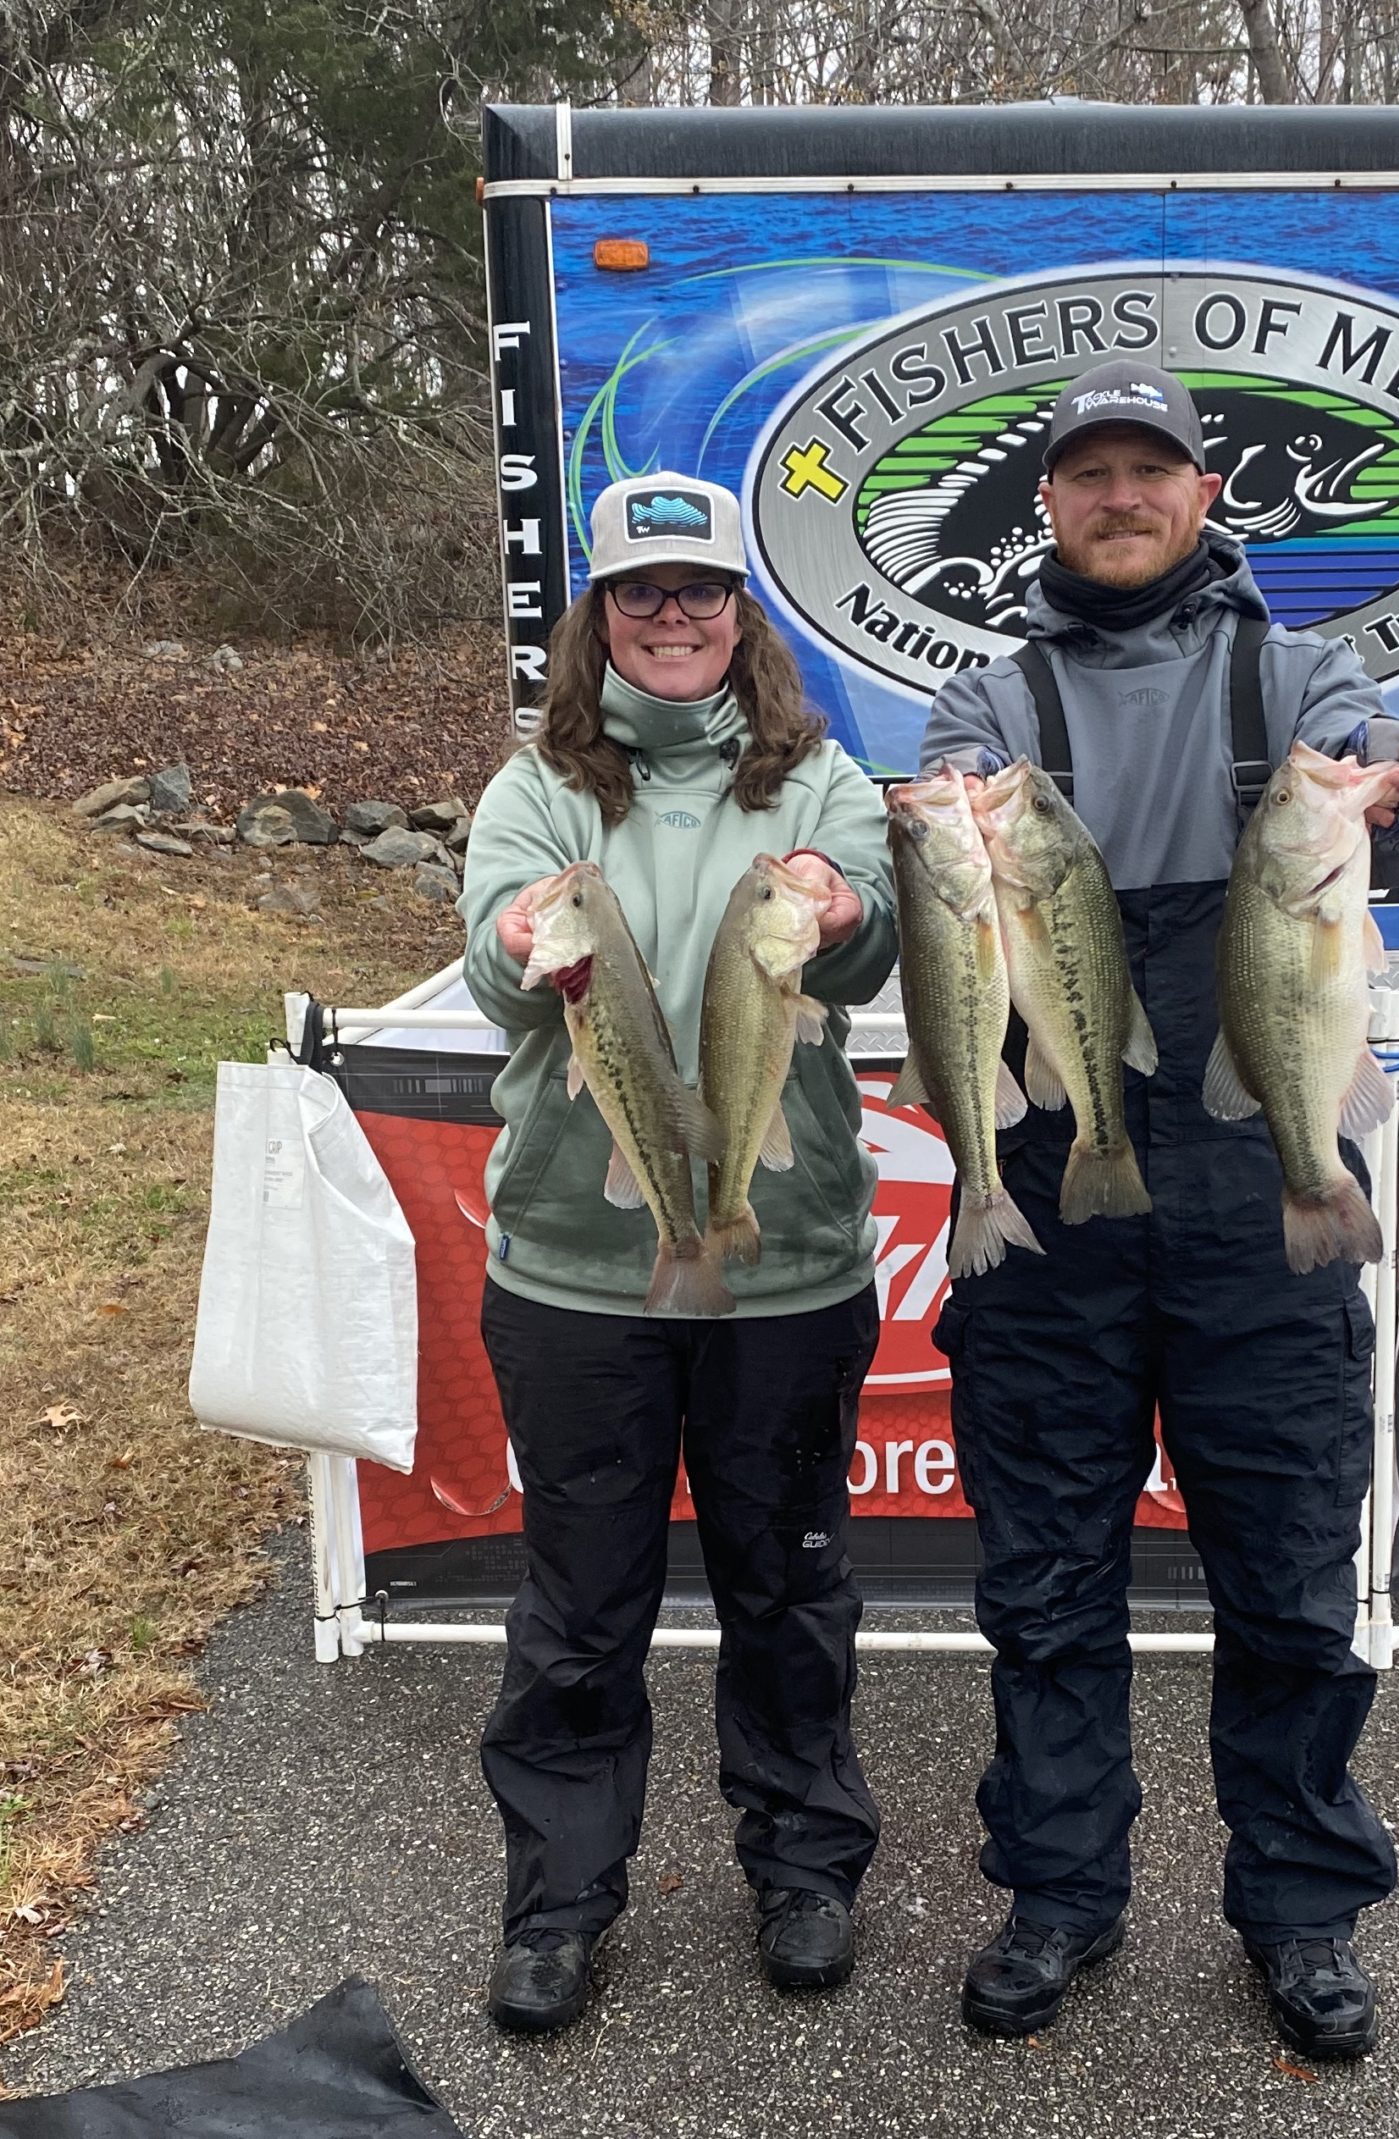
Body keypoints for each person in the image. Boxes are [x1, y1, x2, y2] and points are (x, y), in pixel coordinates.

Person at [919, 362, 1399, 2059]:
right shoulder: (985, 713)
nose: (1122, 498)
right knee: (1047, 1579)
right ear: (1050, 506)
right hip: (1062, 1196)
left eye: (1154, 471)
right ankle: (1061, 1892)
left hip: (1259, 1187)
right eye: (1091, 475)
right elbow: (939, 895)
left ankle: (1298, 1908)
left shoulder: (1303, 678)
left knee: (1290, 1573)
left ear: (1204, 498)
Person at [458, 473, 897, 2034]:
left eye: (697, 591)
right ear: (597, 618)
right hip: (578, 1268)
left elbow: (867, 940)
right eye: (637, 592)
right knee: (583, 1604)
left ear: (740, 614)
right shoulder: (537, 794)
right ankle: (561, 1898)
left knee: (786, 1584)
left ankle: (804, 1866)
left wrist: (839, 913)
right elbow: (502, 973)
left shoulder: (823, 783)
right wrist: (521, 943)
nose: (668, 616)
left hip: (786, 1268)